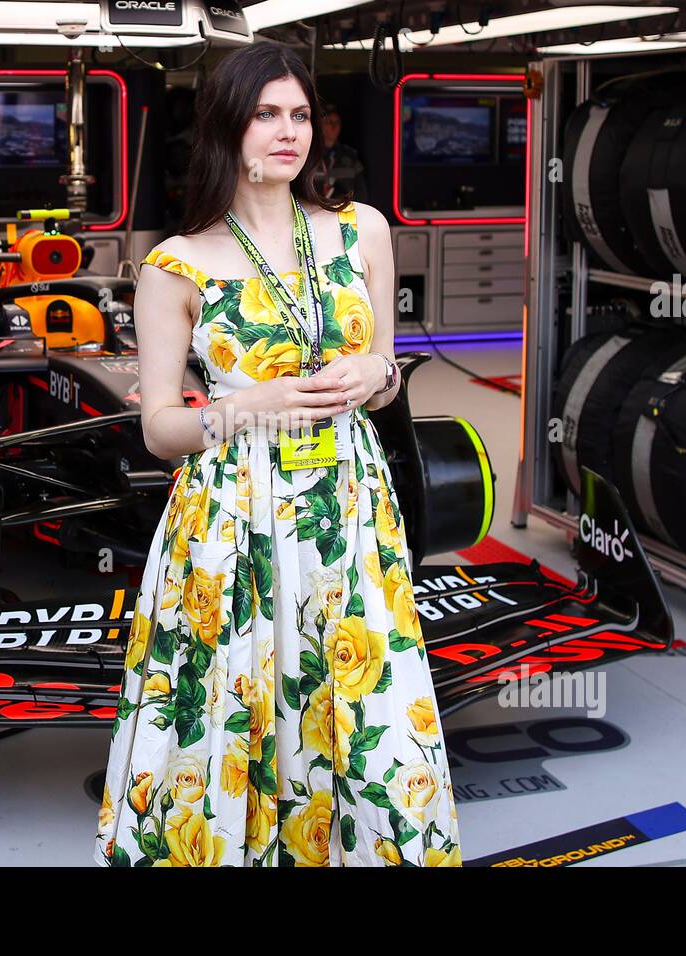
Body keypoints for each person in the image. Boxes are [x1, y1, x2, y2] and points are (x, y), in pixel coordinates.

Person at [93, 42, 462, 867]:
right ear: (227, 125)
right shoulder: (175, 266)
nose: (289, 132)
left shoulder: (361, 231)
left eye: (300, 114)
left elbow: (388, 383)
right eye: (267, 114)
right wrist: (239, 409)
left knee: (370, 715)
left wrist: (378, 371)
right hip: (235, 517)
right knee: (240, 716)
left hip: (350, 508)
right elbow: (159, 429)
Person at [313, 105, 369, 204]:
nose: (334, 126)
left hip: (344, 213)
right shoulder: (309, 155)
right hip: (314, 212)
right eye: (329, 122)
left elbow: (362, 193)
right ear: (320, 125)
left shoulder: (351, 156)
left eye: (337, 122)